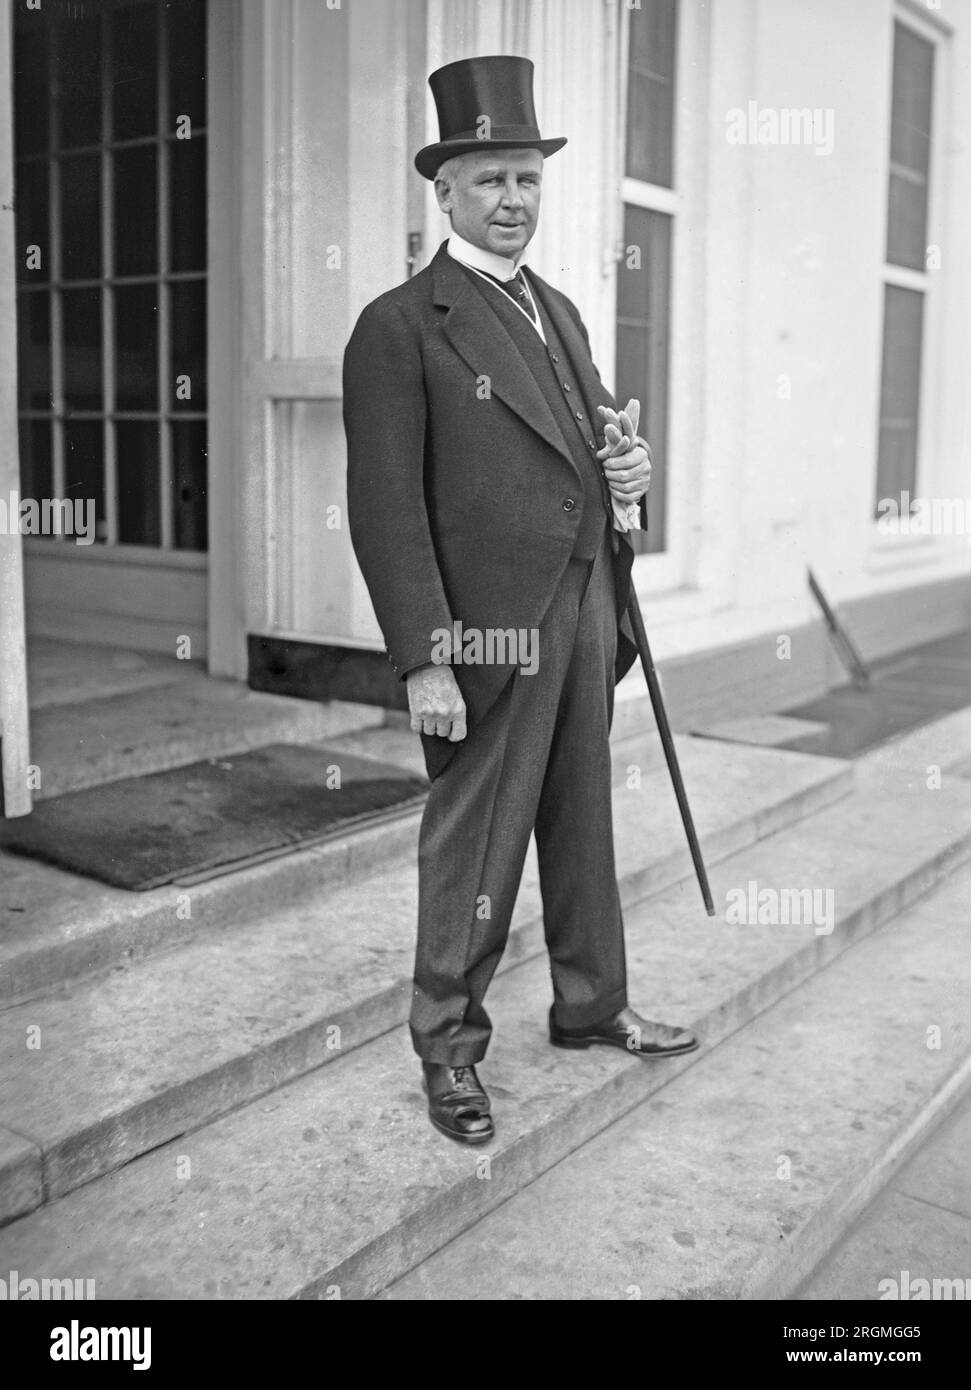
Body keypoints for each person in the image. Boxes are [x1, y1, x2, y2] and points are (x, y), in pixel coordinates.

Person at [344, 56, 698, 1146]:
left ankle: (589, 1004)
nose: (511, 200)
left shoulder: (559, 311)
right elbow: (385, 508)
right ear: (442, 192)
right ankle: (448, 1050)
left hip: (587, 605)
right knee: (477, 845)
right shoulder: (400, 325)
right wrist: (424, 657)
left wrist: (627, 478)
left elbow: (589, 450)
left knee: (580, 822)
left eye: (527, 180)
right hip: (487, 630)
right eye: (488, 178)